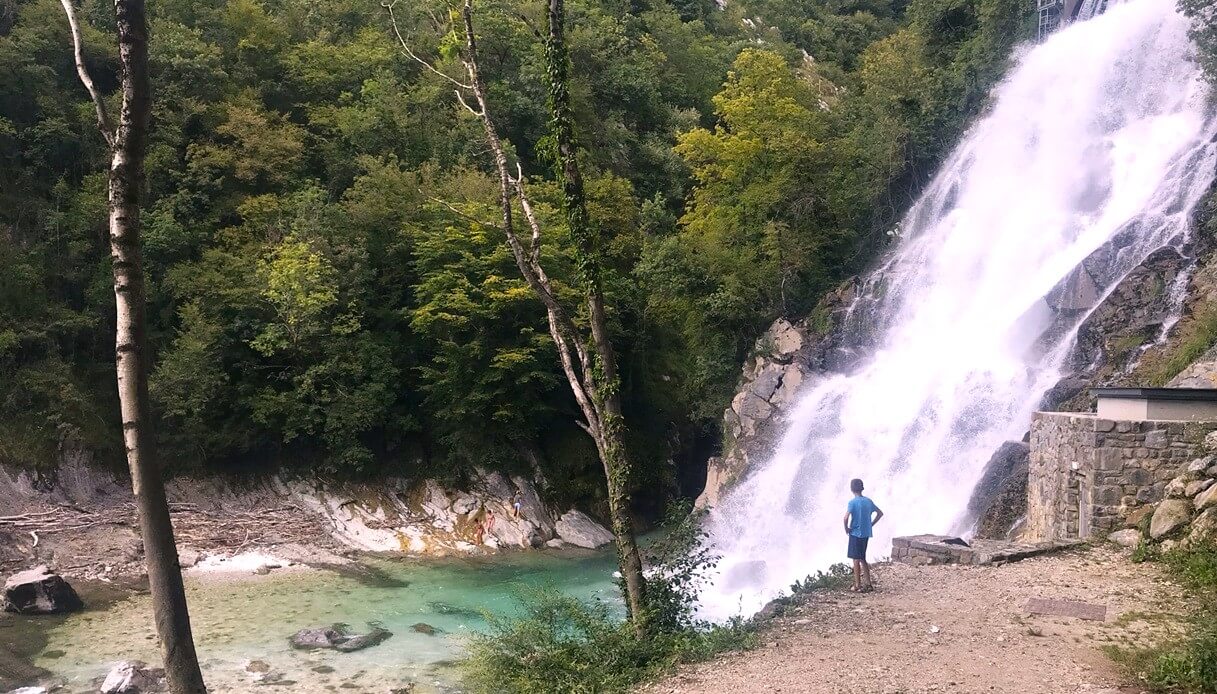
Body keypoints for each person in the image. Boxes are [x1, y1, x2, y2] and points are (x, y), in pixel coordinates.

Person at [843, 478, 883, 593]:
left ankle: (857, 585)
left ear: (851, 489)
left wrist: (846, 529)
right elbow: (880, 513)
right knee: (862, 558)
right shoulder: (868, 501)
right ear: (862, 488)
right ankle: (868, 584)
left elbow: (845, 517)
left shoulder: (852, 502)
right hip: (865, 534)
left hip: (855, 533)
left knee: (856, 559)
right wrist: (871, 524)